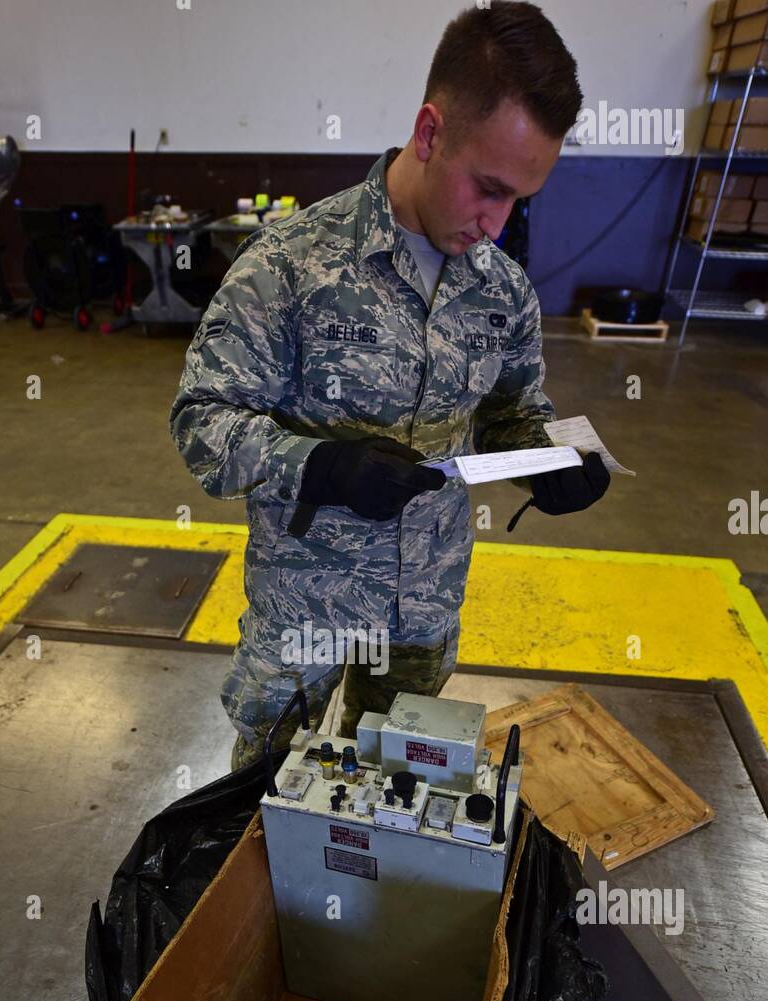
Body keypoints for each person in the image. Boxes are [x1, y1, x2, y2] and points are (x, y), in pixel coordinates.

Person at [169, 1, 609, 769]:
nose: (497, 224)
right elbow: (201, 423)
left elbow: (514, 408)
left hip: (422, 613)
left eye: (518, 201)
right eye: (488, 188)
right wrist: (320, 466)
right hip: (305, 613)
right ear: (431, 132)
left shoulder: (502, 289)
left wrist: (555, 457)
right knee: (265, 814)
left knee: (394, 811)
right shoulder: (293, 264)